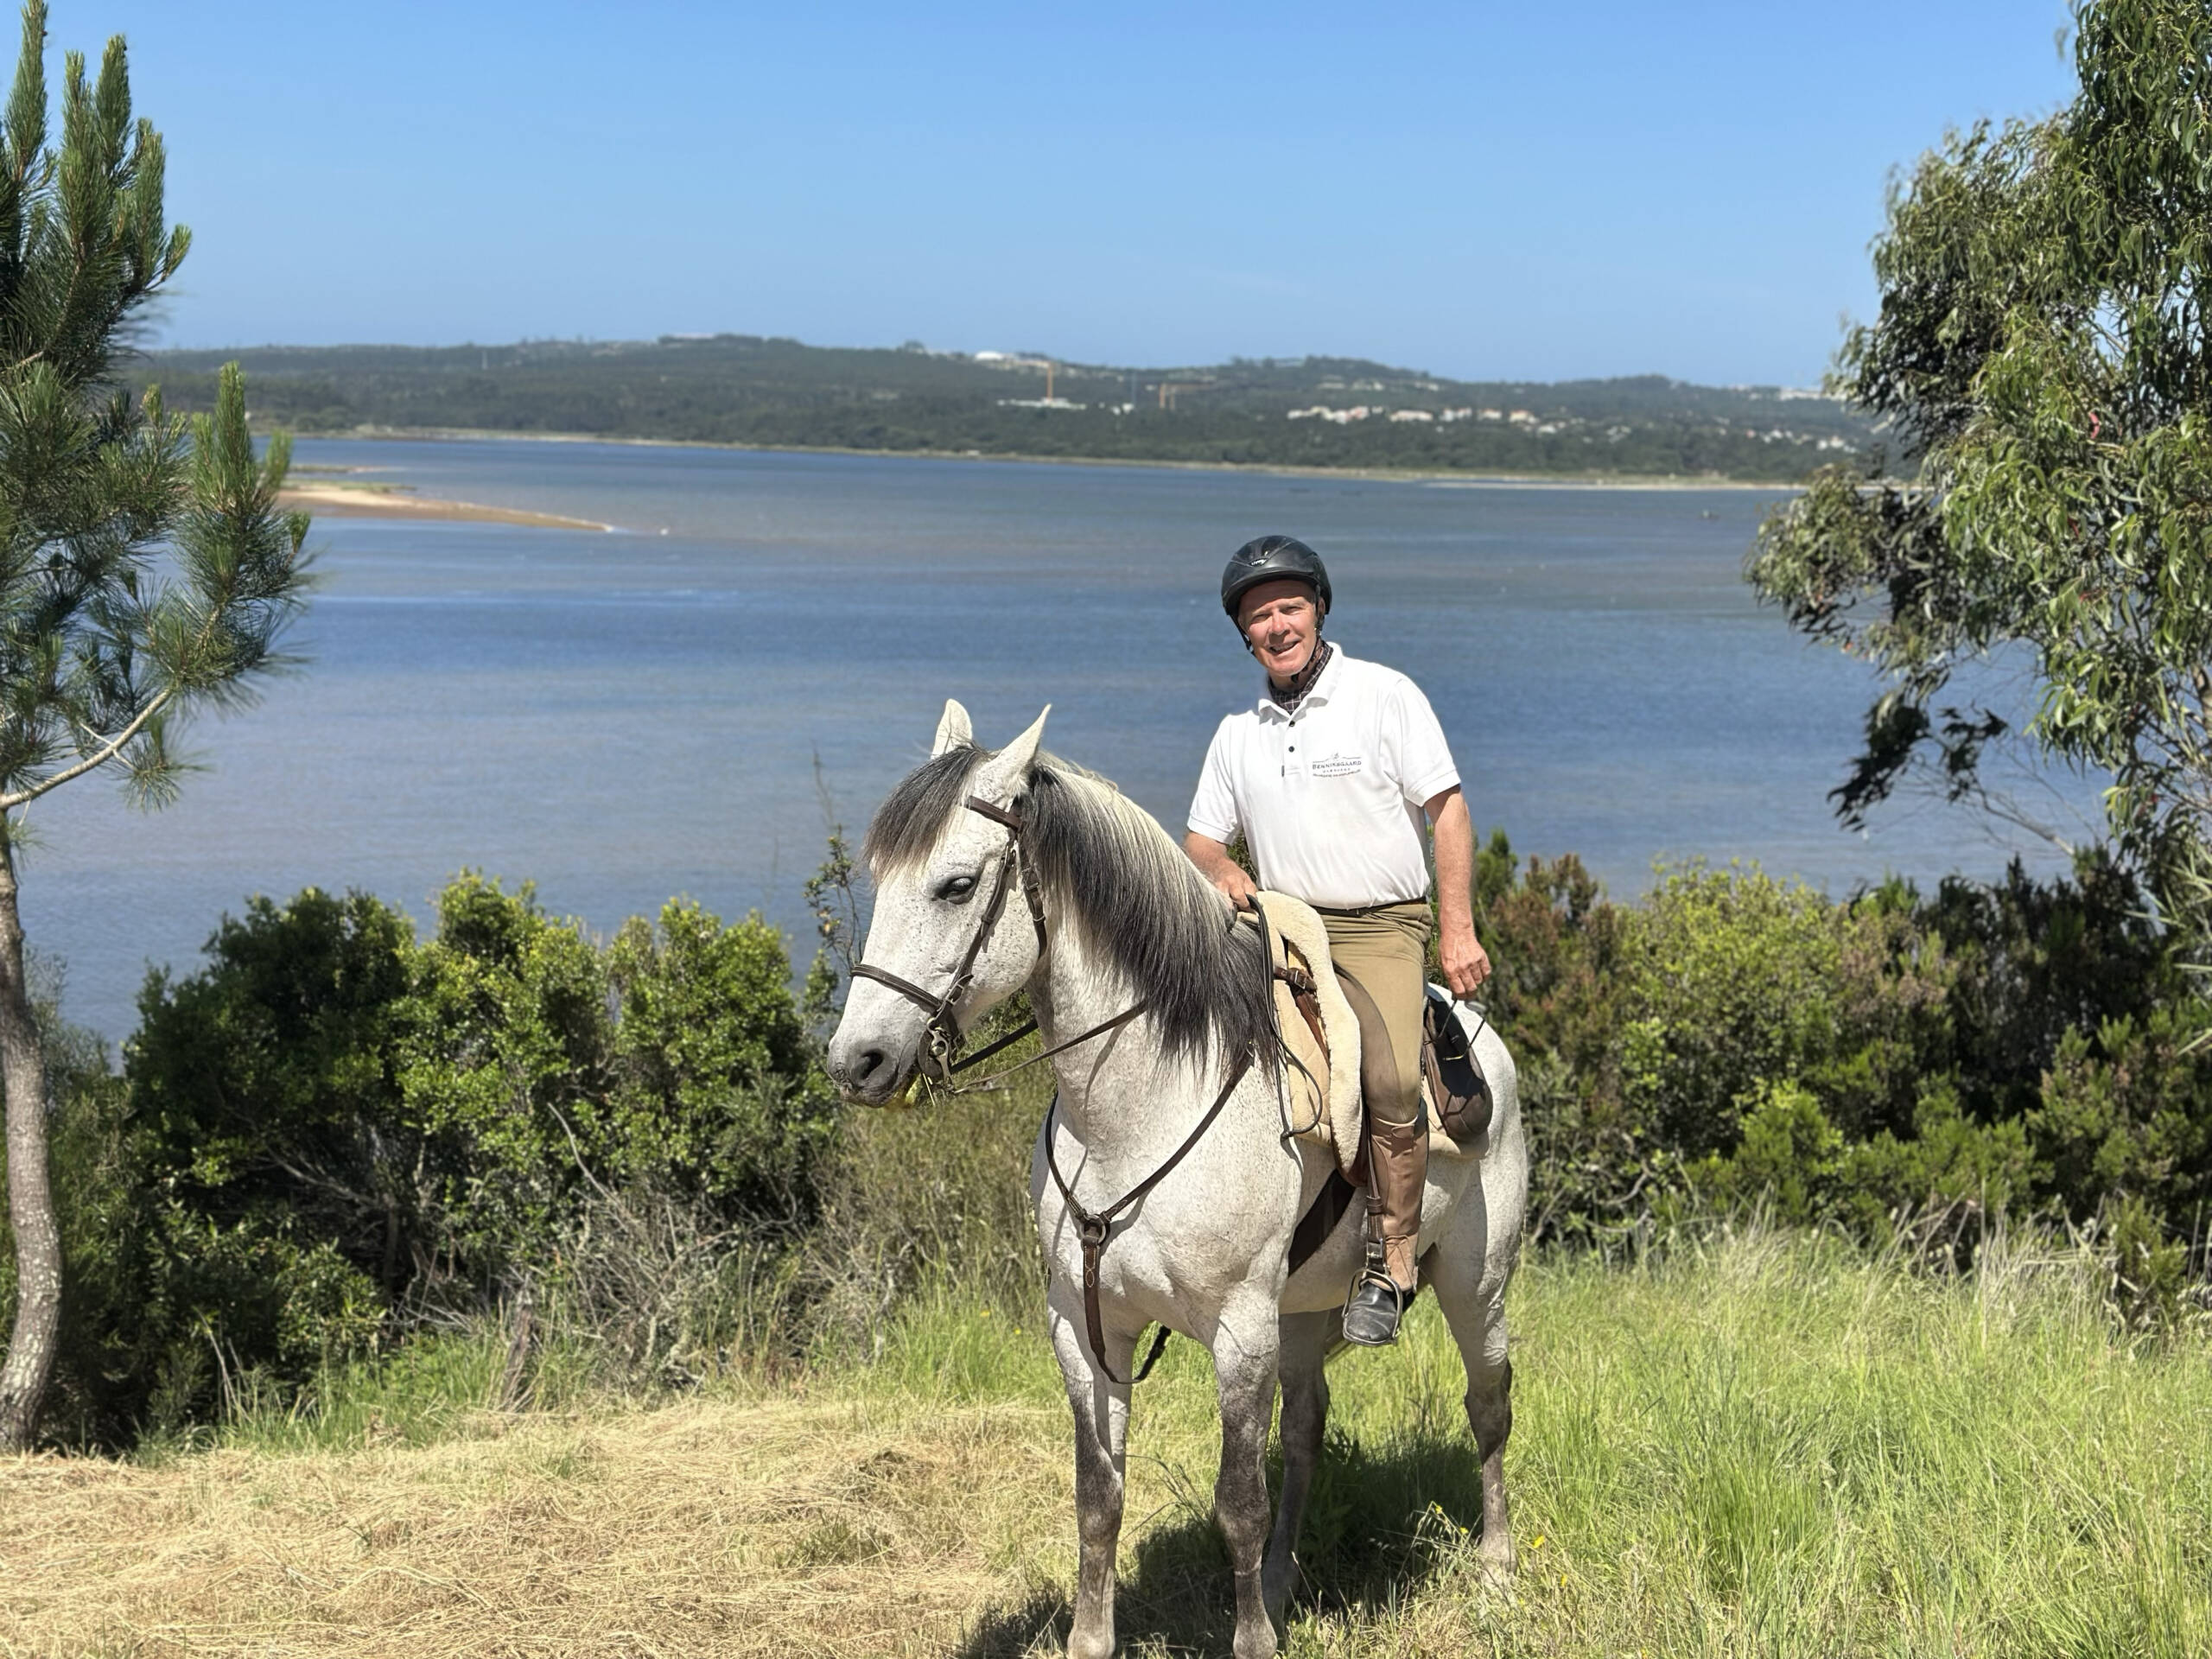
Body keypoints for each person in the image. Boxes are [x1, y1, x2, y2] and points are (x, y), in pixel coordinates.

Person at [1184, 534, 1492, 1345]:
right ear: (1243, 634)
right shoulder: (1235, 735)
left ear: (1319, 606)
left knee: (1388, 1078)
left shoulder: (1385, 696)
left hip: (1381, 925)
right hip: (1282, 926)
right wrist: (1220, 873)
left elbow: (1448, 811)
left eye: (1289, 606)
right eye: (1258, 616)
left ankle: (1389, 1267)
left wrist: (1455, 929)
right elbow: (1203, 846)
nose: (1277, 625)